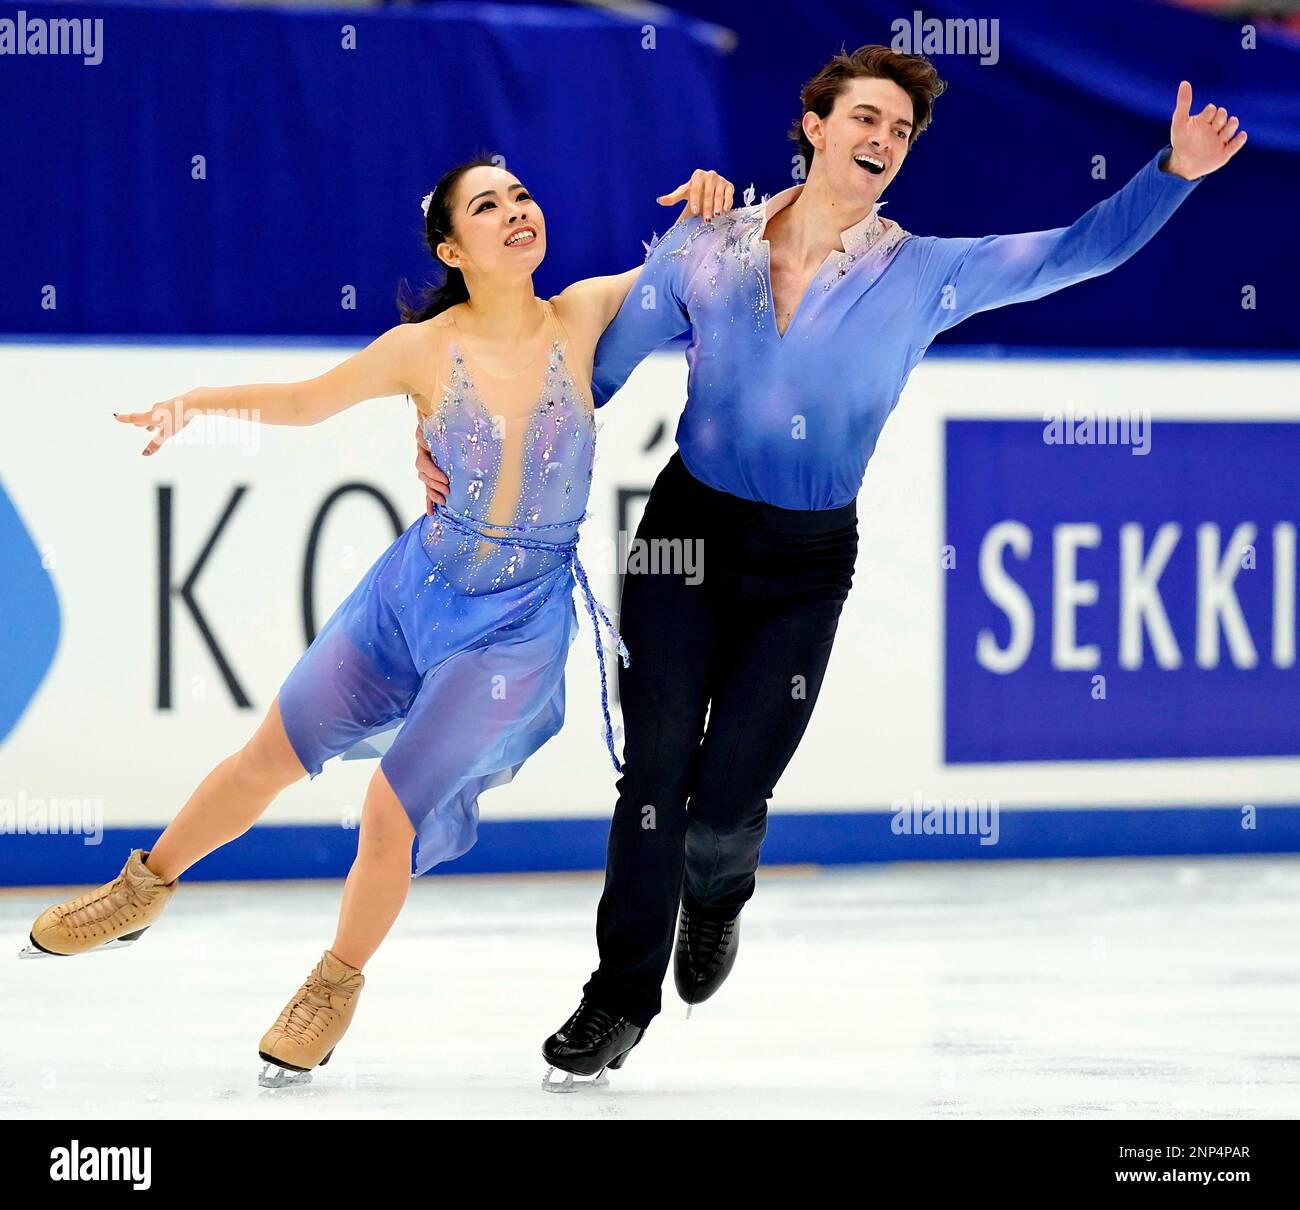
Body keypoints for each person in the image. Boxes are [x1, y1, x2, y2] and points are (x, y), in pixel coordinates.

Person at [420, 46, 1246, 1085]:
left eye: (899, 131)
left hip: (804, 565)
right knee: (653, 773)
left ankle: (717, 890)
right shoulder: (706, 248)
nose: (882, 142)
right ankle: (614, 1000)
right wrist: (459, 432)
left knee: (722, 807)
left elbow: (1072, 252)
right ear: (813, 126)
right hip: (685, 535)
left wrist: (1168, 174)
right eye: (864, 118)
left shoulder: (926, 273)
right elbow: (586, 373)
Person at [23, 156, 734, 1088]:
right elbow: (308, 401)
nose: (516, 211)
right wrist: (199, 404)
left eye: (521, 196)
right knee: (264, 760)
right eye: (488, 205)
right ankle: (141, 888)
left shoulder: (586, 312)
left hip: (512, 633)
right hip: (408, 597)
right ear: (452, 246)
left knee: (387, 806)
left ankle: (332, 983)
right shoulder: (423, 348)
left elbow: (698, 263)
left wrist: (716, 205)